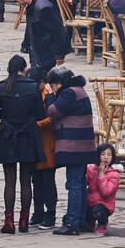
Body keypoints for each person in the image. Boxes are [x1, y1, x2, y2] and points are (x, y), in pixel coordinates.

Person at [0, 55, 43, 234]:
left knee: (9, 180)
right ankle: (24, 221)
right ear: (24, 68)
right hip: (28, 135)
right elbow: (41, 115)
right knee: (26, 181)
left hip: (8, 136)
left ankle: (9, 221)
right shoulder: (33, 87)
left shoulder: (2, 87)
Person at [43, 65, 94, 235]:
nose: (54, 88)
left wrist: (49, 95)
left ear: (59, 82)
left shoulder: (70, 92)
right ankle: (79, 220)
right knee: (78, 183)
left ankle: (72, 223)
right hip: (82, 145)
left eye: (54, 85)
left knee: (74, 184)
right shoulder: (78, 90)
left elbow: (53, 111)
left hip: (75, 145)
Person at [13, 0, 70, 70]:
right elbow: (30, 28)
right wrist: (25, 44)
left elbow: (57, 32)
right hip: (37, 50)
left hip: (46, 52)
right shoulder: (31, 4)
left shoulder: (43, 7)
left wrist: (59, 55)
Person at [32, 67, 59, 230]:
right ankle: (38, 213)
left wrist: (35, 126)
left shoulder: (48, 96)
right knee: (36, 181)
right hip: (36, 144)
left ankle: (50, 214)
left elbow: (52, 118)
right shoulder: (36, 94)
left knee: (48, 181)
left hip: (47, 143)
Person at [86, 143, 122, 235]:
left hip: (104, 205)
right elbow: (85, 182)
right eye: (103, 154)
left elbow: (106, 192)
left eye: (109, 155)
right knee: (83, 208)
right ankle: (90, 222)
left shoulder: (114, 174)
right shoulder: (92, 169)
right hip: (90, 201)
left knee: (97, 210)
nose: (106, 157)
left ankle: (103, 223)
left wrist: (101, 175)